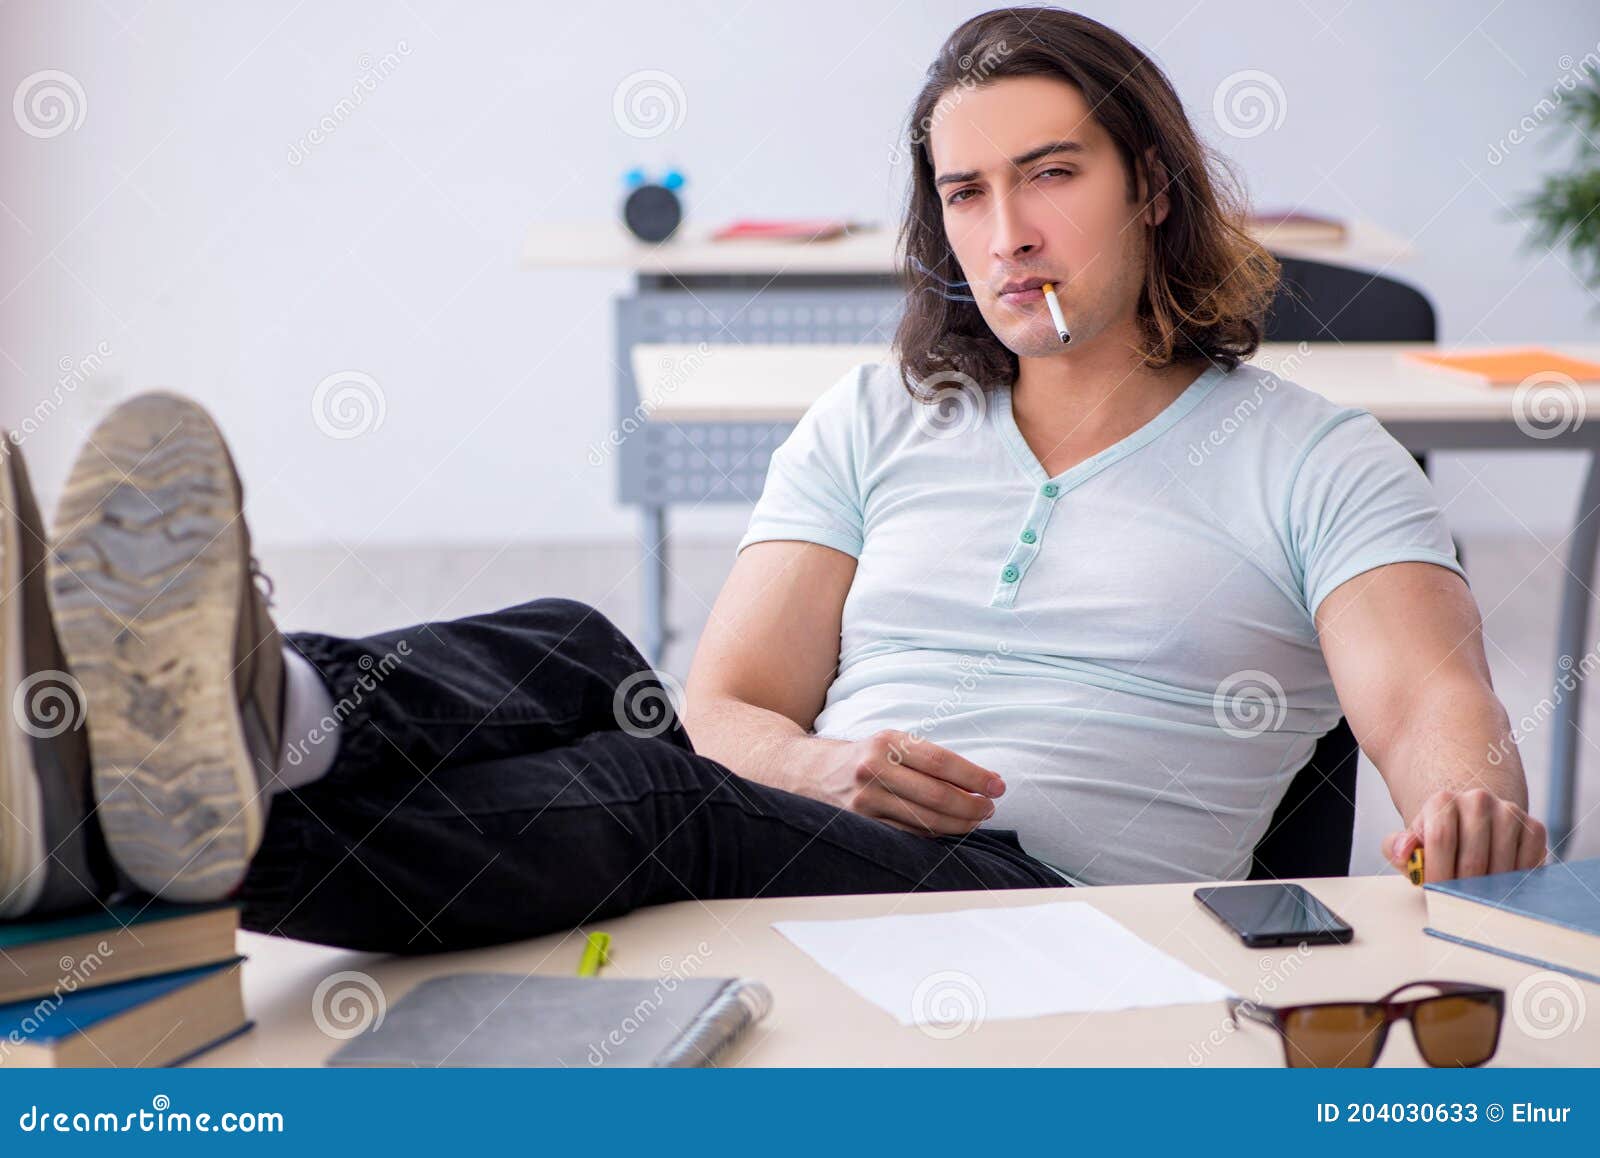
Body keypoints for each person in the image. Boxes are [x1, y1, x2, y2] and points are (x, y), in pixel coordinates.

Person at [0, 8, 1545, 954]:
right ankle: (249, 723)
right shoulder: (881, 415)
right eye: (965, 192)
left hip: (1063, 915)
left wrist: (1467, 797)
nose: (1004, 230)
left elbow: (1425, 703)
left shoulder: (1314, 452)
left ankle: (128, 809)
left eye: (1049, 175)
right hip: (841, 828)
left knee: (666, 799)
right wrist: (819, 765)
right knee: (580, 651)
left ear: (1146, 181)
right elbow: (730, 696)